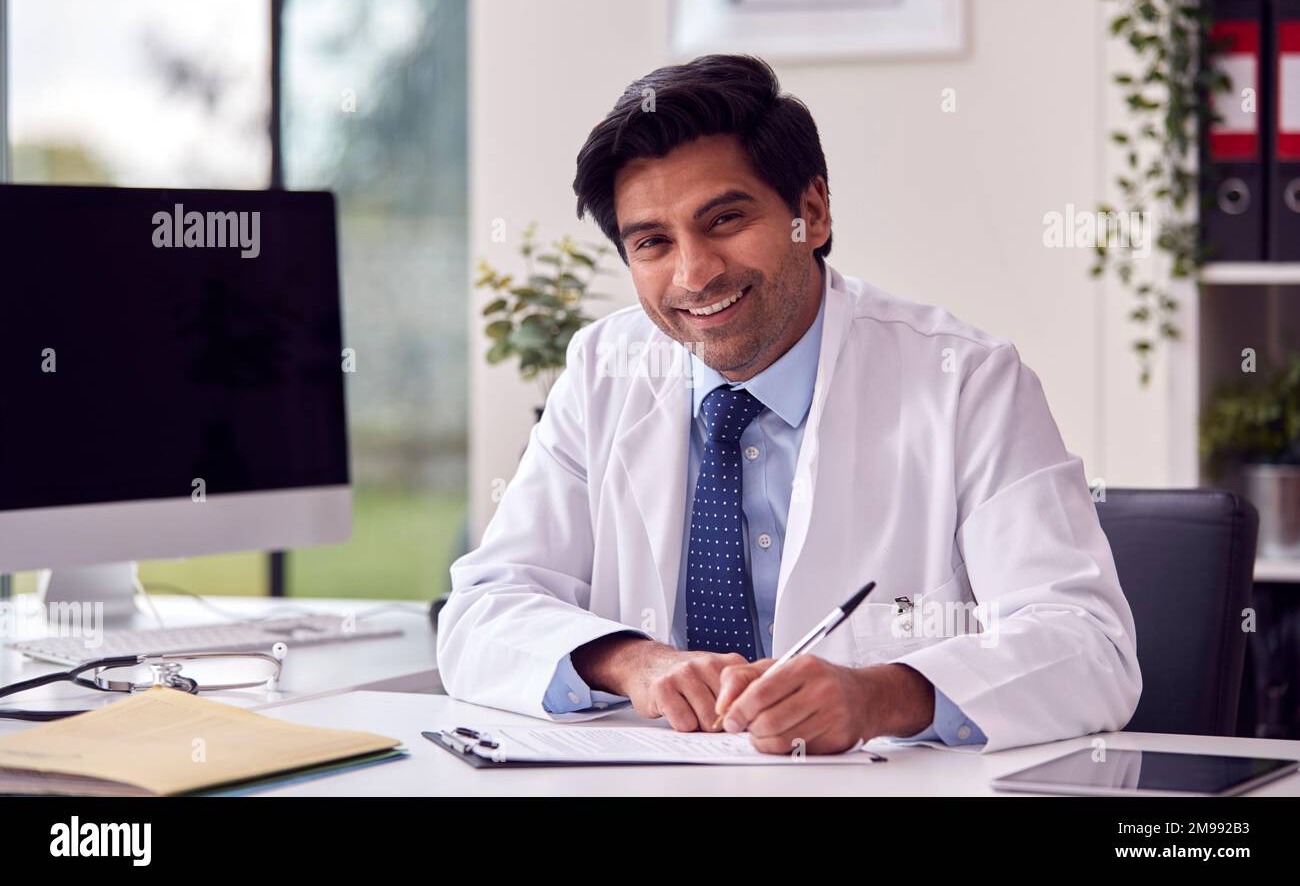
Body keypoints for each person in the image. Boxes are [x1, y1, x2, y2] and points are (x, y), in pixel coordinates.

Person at [436, 54, 1140, 754]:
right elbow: (480, 615)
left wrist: (878, 696)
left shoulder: (968, 381)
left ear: (812, 212)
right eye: (652, 242)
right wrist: (633, 662)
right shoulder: (601, 370)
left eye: (725, 220)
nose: (694, 273)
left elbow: (1088, 648)